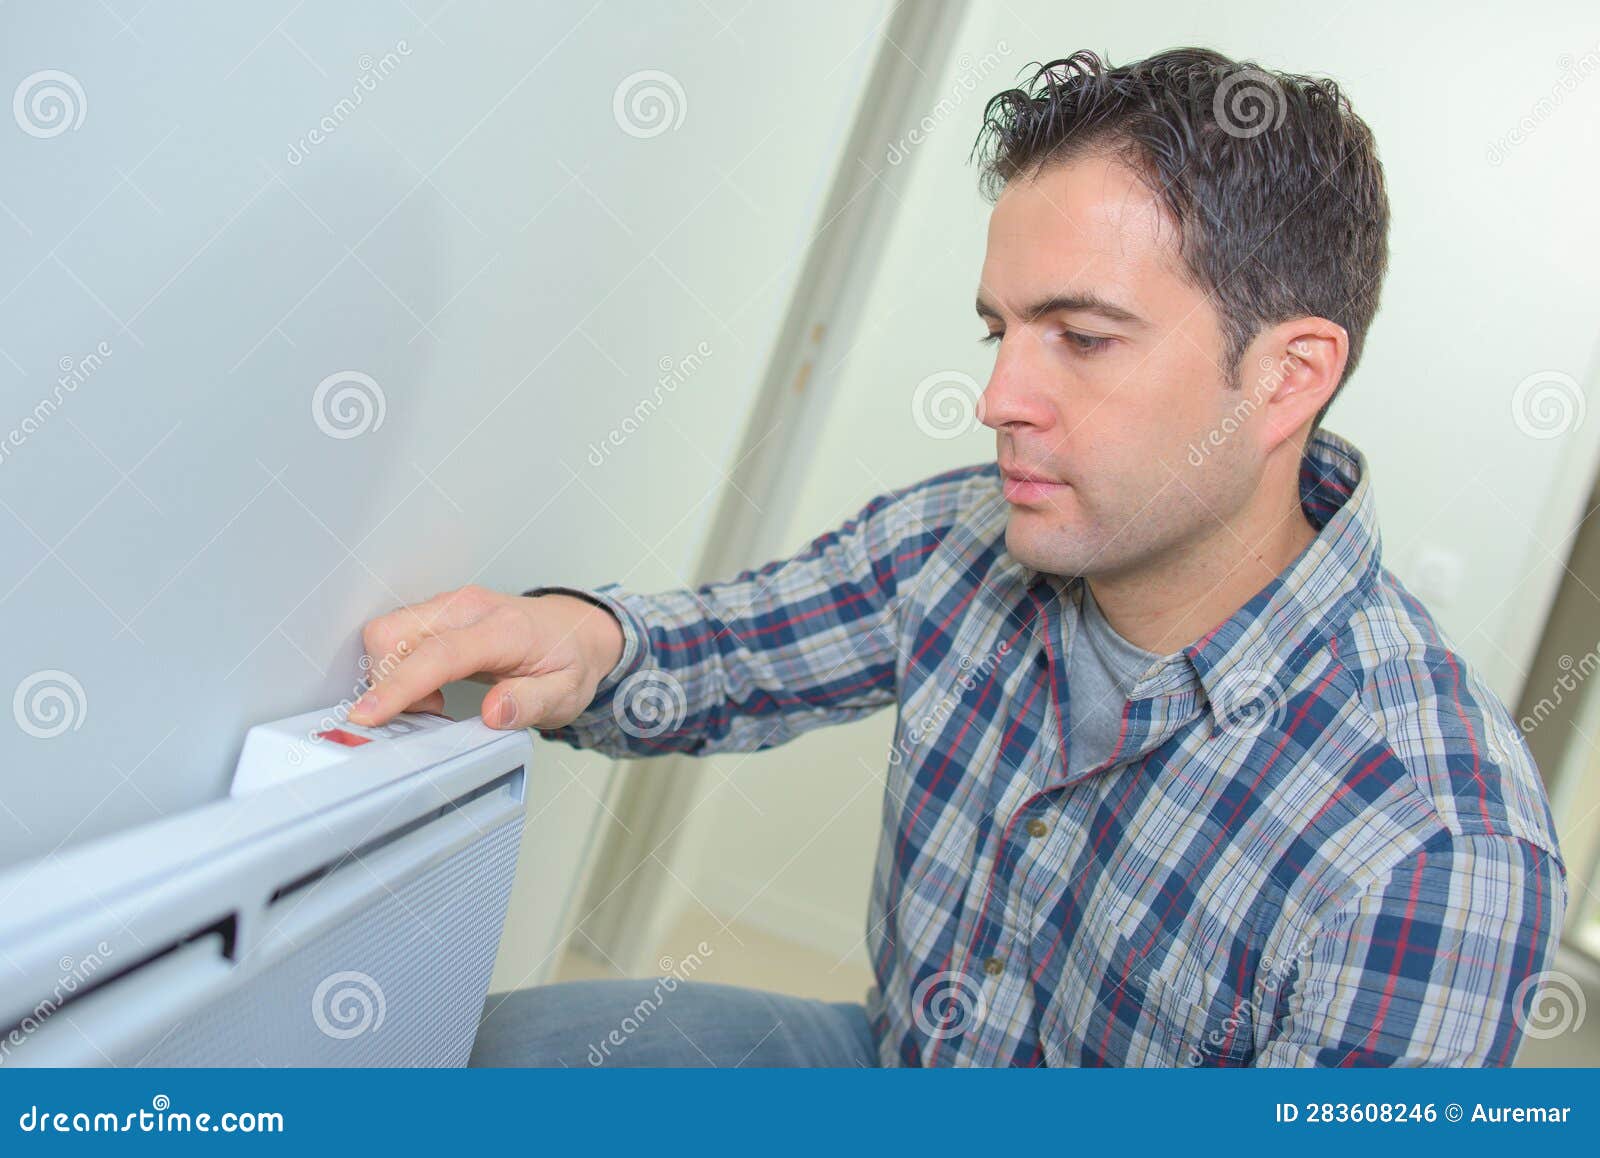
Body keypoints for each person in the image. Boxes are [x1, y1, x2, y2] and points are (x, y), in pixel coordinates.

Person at [349, 47, 1564, 1067]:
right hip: (904, 1062)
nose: (995, 399)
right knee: (495, 1060)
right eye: (999, 331)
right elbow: (724, 650)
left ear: (1286, 377)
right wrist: (581, 639)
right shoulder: (968, 537)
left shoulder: (1435, 851)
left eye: (1081, 338)